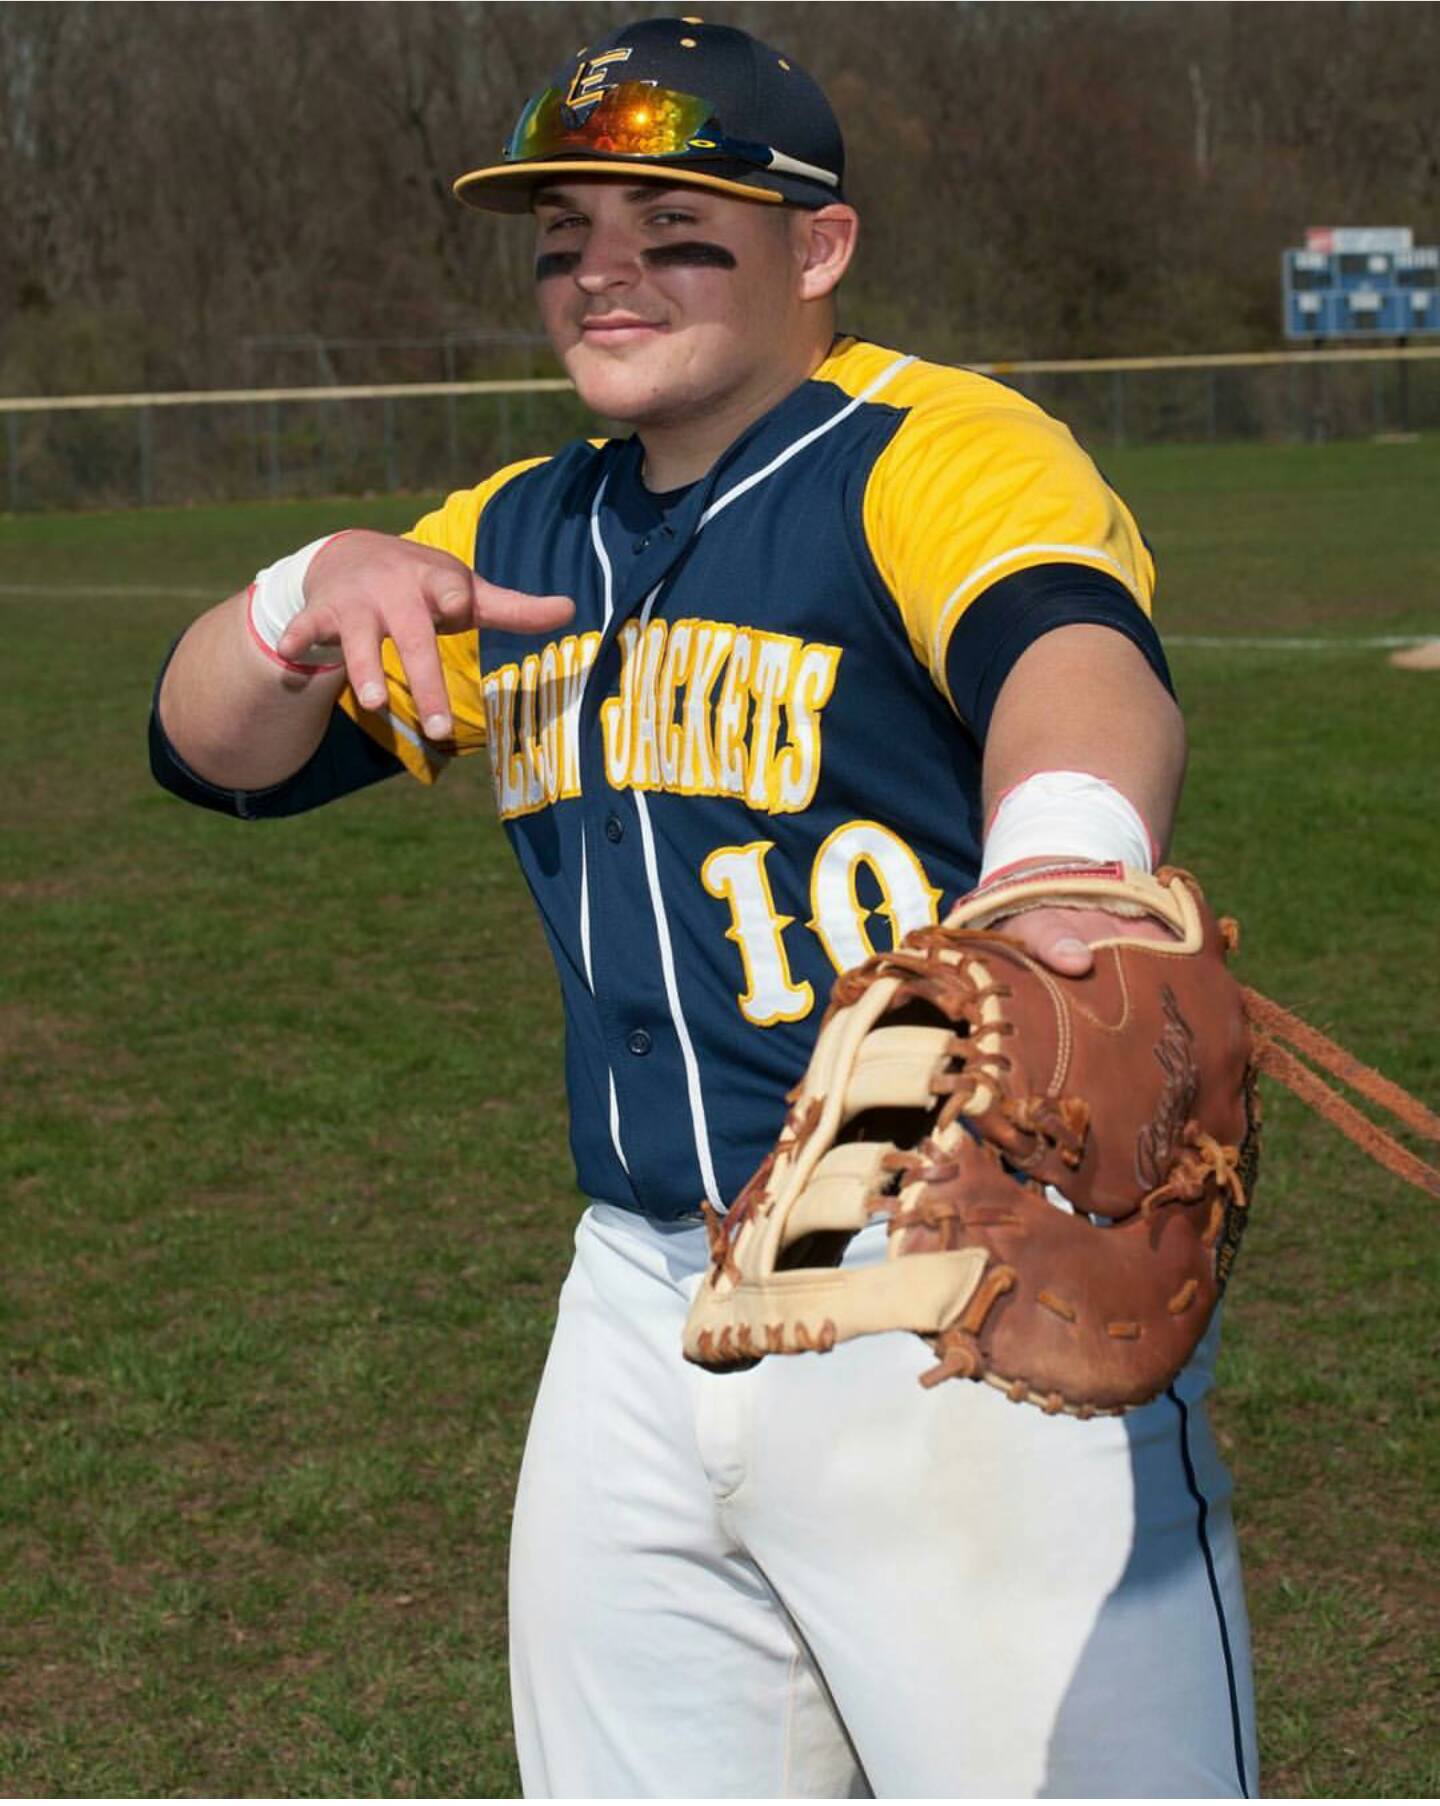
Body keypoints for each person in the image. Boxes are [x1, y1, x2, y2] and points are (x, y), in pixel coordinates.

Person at [151, 16, 1257, 1797]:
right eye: (566, 236)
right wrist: (301, 593)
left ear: (815, 250)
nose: (608, 273)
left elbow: (1072, 646)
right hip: (632, 1300)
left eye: (677, 229)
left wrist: (1063, 847)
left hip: (943, 1268)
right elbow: (209, 750)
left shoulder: (922, 448)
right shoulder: (515, 536)